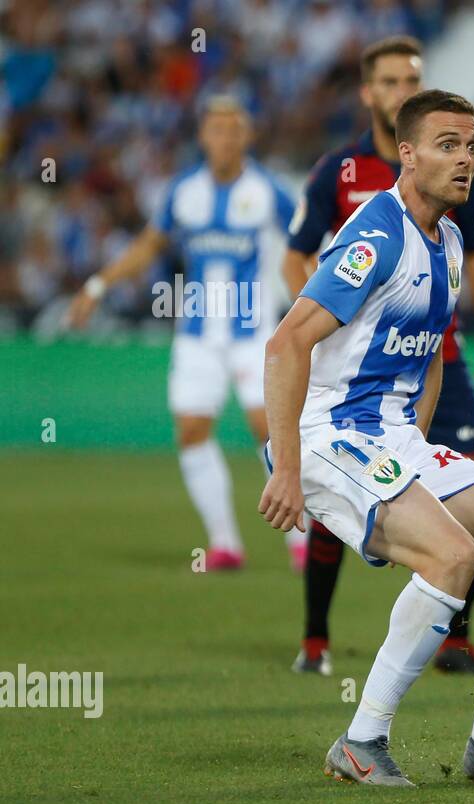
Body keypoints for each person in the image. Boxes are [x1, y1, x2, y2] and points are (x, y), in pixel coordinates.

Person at [259, 89, 474, 788]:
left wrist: (419, 454)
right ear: (406, 155)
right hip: (329, 433)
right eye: (446, 144)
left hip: (393, 436)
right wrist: (285, 465)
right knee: (452, 555)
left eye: (471, 145)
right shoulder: (374, 236)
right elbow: (286, 344)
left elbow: (432, 352)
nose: (465, 158)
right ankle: (360, 739)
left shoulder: (450, 241)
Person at [281, 36, 474, 677]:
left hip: (437, 352)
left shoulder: (456, 180)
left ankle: (457, 639)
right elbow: (298, 258)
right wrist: (326, 307)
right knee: (346, 488)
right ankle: (318, 639)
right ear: (368, 93)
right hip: (360, 365)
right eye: (388, 80)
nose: (400, 89)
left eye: (411, 77)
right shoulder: (341, 173)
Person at [67, 96, 304, 571]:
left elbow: (304, 248)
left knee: (270, 428)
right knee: (193, 430)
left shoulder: (269, 191)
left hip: (254, 330)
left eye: (234, 129)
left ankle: (302, 540)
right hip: (197, 333)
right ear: (203, 137)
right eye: (216, 129)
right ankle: (224, 543)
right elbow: (148, 244)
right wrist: (97, 285)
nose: (225, 138)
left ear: (247, 137)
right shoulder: (183, 192)